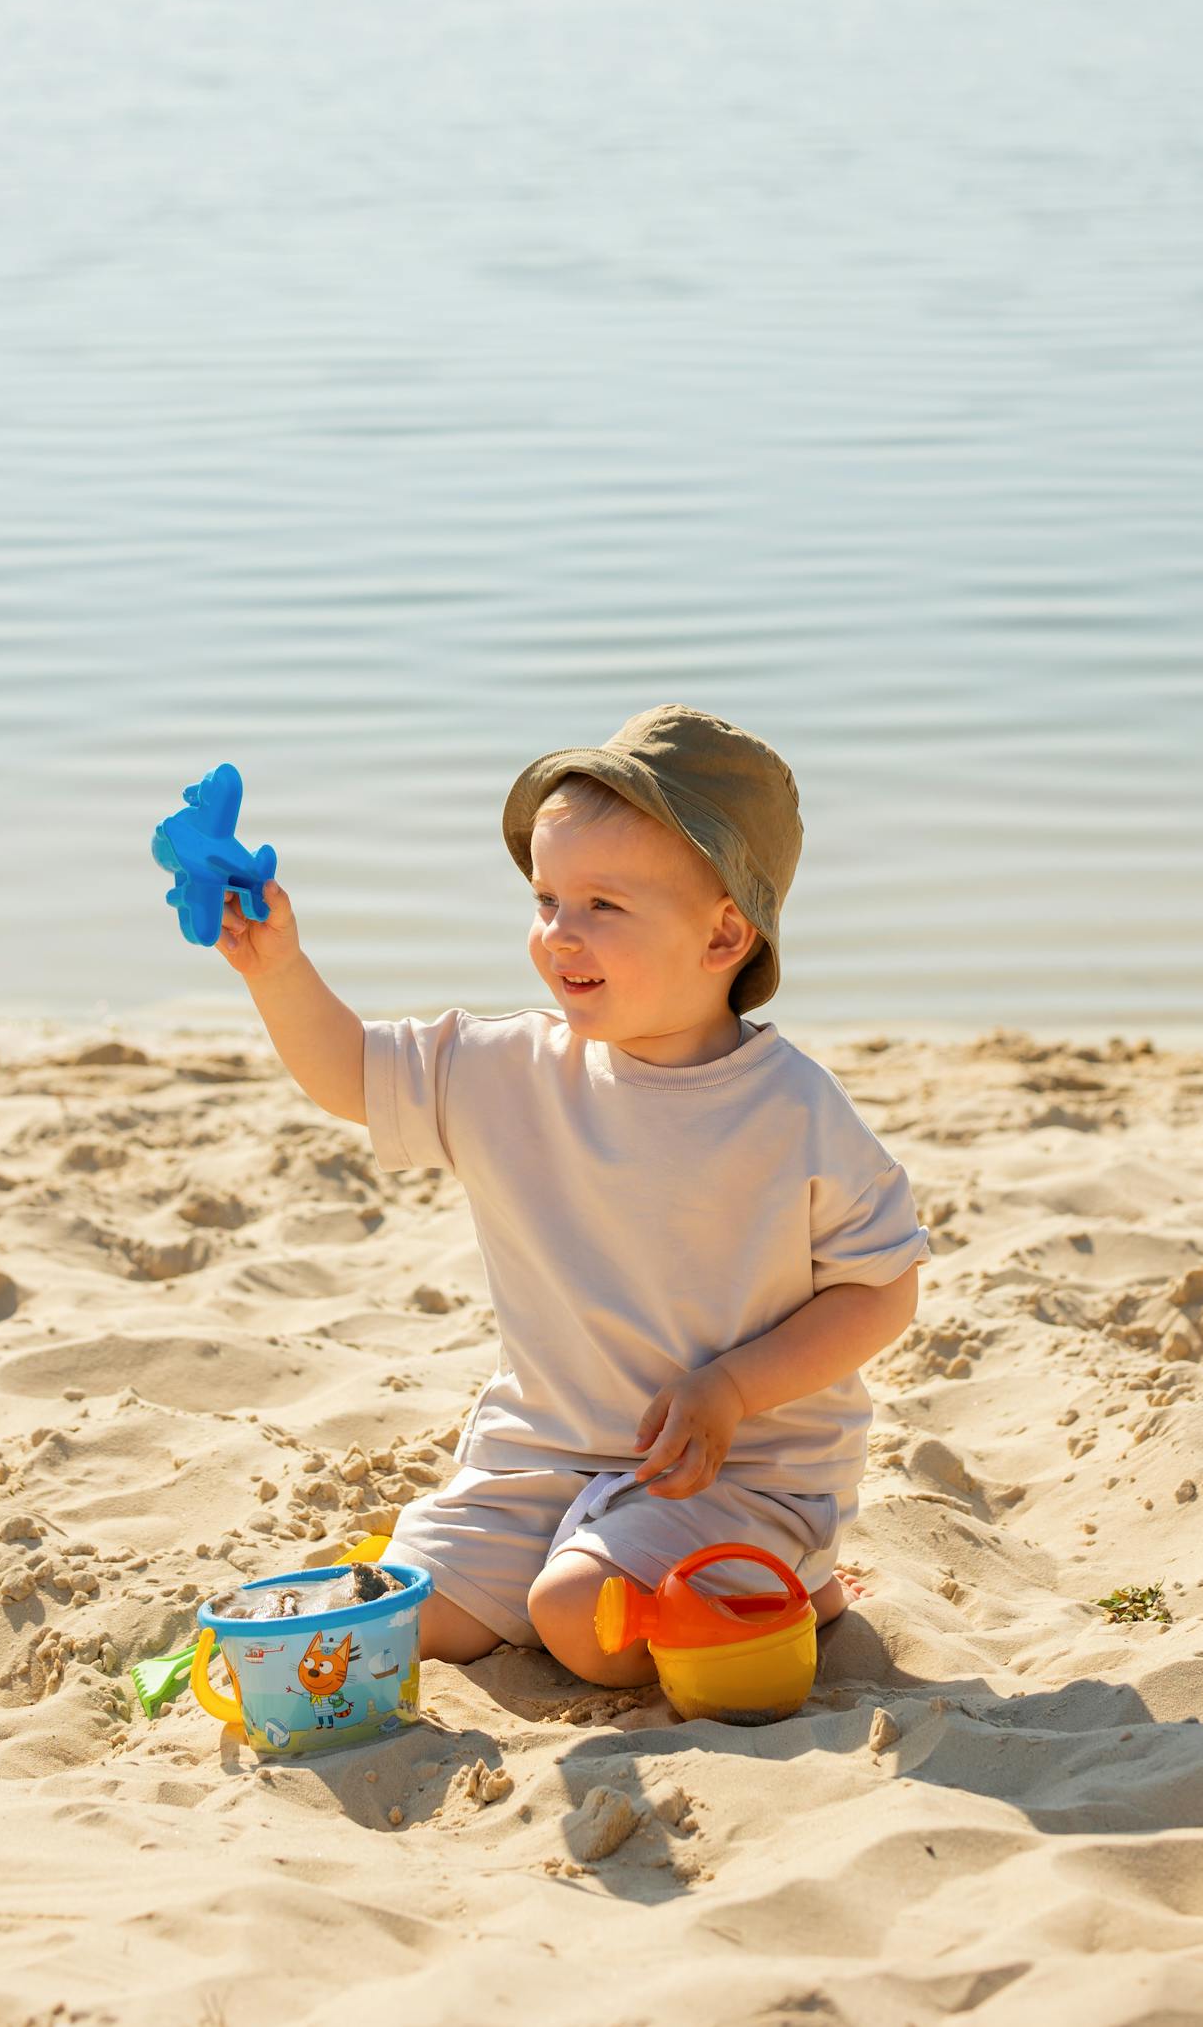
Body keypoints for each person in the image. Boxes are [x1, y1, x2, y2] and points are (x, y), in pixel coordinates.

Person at [217, 704, 930, 1688]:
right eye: (547, 898)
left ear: (723, 933)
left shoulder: (789, 1109)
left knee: (574, 1621)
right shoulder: (507, 1068)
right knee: (405, 1613)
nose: (558, 935)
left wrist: (731, 1389)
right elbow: (351, 1074)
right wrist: (277, 968)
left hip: (729, 1469)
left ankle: (786, 1579)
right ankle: (638, 1568)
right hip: (542, 1458)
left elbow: (880, 1290)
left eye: (602, 905)